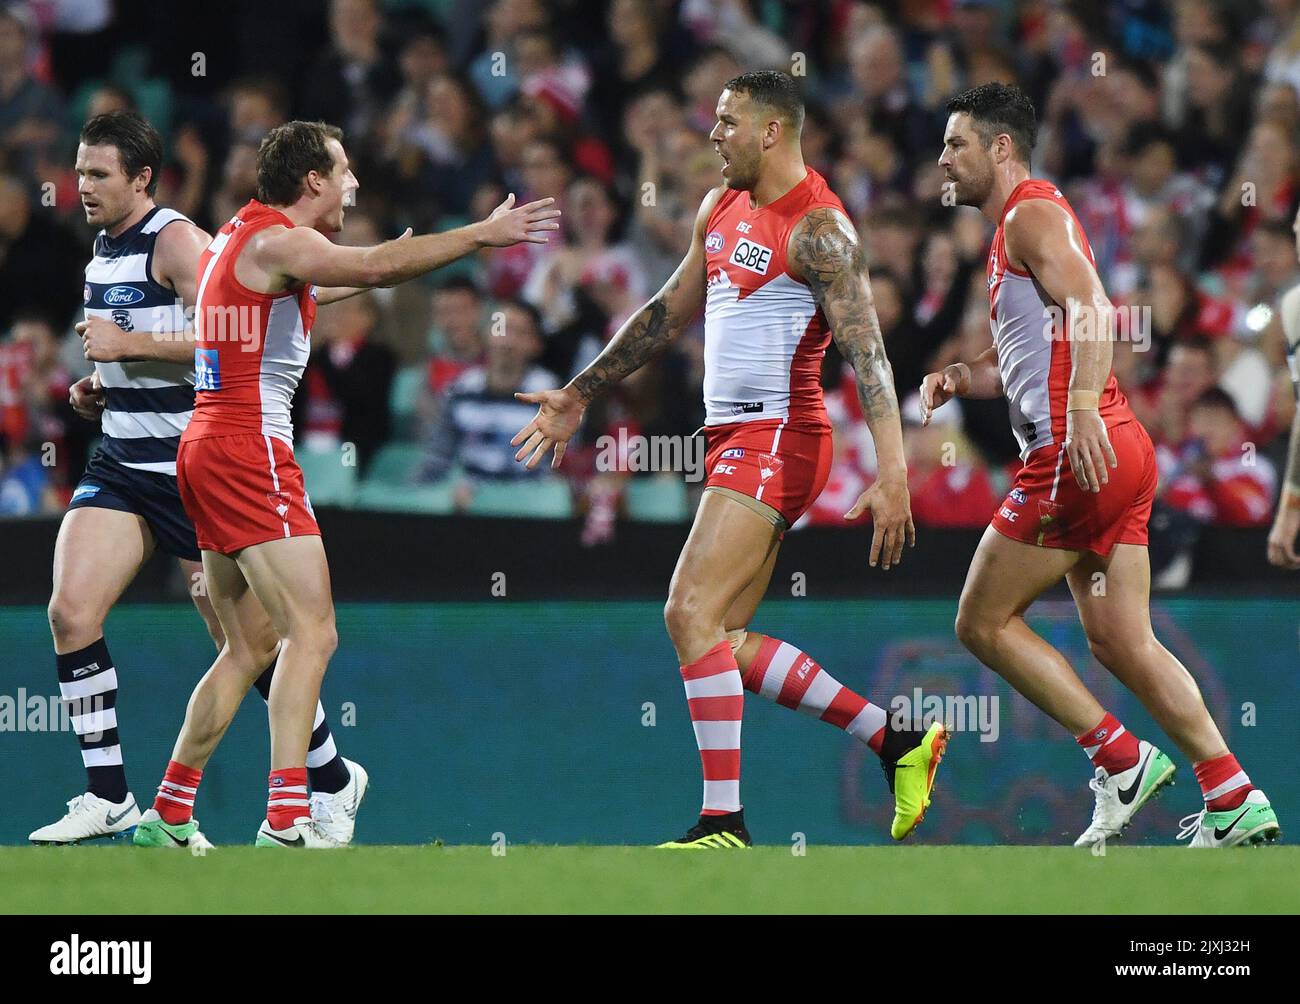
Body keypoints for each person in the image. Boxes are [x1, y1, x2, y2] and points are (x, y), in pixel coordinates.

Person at [513, 71, 947, 848]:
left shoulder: (820, 229)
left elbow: (869, 355)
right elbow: (666, 311)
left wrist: (893, 474)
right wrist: (581, 391)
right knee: (721, 641)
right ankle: (897, 740)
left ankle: (725, 821)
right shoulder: (719, 208)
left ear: (773, 131)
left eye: (726, 122)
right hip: (733, 440)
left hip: (781, 437)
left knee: (686, 611)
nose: (712, 135)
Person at [132, 119, 559, 849]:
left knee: (247, 648)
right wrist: (478, 235)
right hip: (248, 450)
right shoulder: (282, 242)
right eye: (344, 169)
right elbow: (372, 269)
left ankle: (169, 814)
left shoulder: (242, 238)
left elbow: (324, 286)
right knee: (315, 633)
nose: (355, 182)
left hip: (203, 449)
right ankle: (288, 815)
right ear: (312, 183)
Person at [926, 82, 1279, 848]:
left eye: (956, 144)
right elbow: (1033, 341)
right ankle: (1233, 793)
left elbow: (1093, 308)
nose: (942, 159)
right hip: (1119, 450)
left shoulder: (1031, 215)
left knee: (981, 622)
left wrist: (1080, 407)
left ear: (1000, 148)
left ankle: (1120, 761)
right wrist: (964, 375)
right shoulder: (1022, 226)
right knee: (1123, 639)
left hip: (1074, 451)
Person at [30, 112, 363, 846]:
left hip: (193, 463)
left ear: (141, 178)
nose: (81, 186)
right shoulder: (100, 252)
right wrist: (101, 381)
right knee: (69, 613)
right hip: (121, 462)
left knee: (246, 644)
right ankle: (109, 795)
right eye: (80, 172)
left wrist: (133, 343)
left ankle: (330, 777)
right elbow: (131, 351)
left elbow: (233, 329)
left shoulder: (180, 240)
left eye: (98, 174)